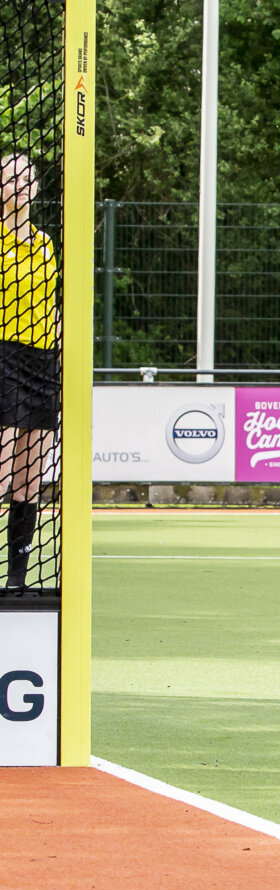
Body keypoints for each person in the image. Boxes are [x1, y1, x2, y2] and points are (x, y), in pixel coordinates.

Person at [0, 153, 60, 590]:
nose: (21, 185)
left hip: (43, 363)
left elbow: (53, 306)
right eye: (12, 179)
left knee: (29, 477)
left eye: (28, 178)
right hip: (3, 357)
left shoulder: (45, 244)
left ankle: (17, 579)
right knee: (2, 469)